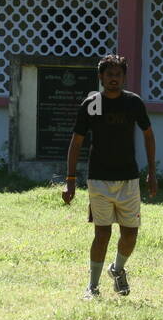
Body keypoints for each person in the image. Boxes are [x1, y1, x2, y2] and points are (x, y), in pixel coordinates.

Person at [62, 54, 157, 298]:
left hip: (129, 179)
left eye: (118, 74)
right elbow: (76, 142)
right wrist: (70, 180)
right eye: (109, 74)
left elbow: (148, 135)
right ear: (101, 77)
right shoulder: (91, 104)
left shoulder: (133, 103)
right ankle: (92, 286)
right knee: (101, 234)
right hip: (99, 179)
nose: (114, 79)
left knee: (130, 234)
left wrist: (152, 173)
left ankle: (117, 269)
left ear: (124, 77)